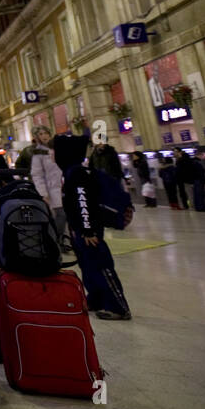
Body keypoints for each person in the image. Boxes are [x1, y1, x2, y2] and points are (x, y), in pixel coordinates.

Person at [56, 133, 131, 320]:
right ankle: (96, 298)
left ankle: (118, 307)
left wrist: (87, 230)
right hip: (80, 229)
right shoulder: (71, 172)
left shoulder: (77, 174)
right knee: (87, 266)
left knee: (100, 264)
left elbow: (83, 203)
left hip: (88, 230)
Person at [27, 125, 68, 250]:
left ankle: (61, 239)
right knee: (60, 214)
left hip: (63, 187)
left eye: (46, 133)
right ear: (37, 137)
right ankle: (55, 240)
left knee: (64, 215)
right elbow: (37, 175)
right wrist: (43, 193)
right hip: (51, 190)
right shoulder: (38, 154)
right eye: (41, 134)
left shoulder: (57, 149)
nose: (44, 136)